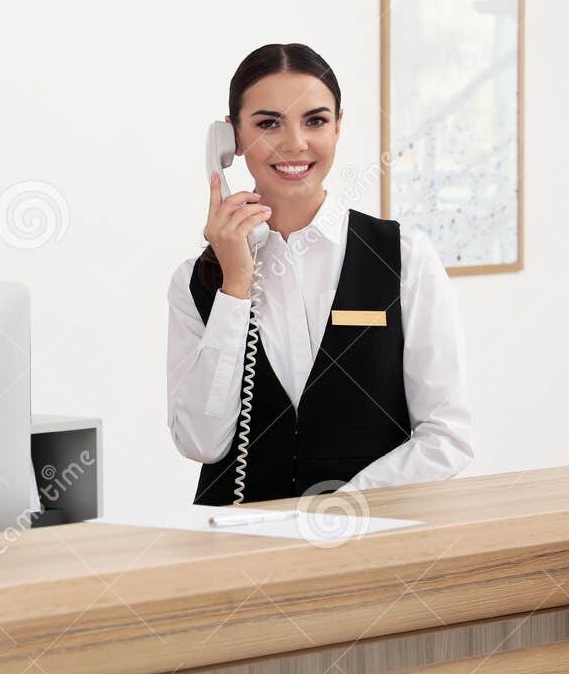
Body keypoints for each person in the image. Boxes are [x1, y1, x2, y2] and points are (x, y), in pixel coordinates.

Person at [166, 43, 473, 505]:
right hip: (231, 548)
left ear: (338, 126)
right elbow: (201, 443)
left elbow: (447, 438)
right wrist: (234, 287)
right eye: (269, 123)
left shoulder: (405, 257)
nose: (295, 143)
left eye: (315, 120)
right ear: (230, 139)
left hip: (366, 543)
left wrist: (340, 507)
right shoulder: (195, 281)